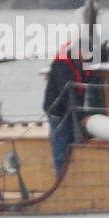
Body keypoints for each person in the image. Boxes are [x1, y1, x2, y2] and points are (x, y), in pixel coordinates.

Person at [43, 40, 93, 174]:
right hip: (58, 112)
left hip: (74, 111)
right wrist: (82, 116)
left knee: (75, 144)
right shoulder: (63, 66)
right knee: (61, 149)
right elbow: (66, 96)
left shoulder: (83, 59)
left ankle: (75, 176)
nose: (86, 59)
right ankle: (61, 179)